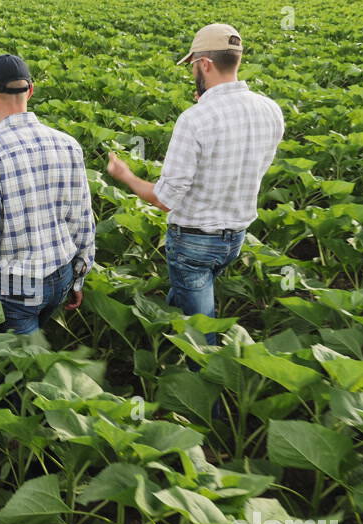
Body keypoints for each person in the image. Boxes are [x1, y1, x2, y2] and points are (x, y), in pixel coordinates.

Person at [107, 24, 284, 348]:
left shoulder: (196, 119)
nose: (192, 72)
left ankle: (206, 386)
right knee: (188, 294)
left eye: (192, 65)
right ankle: (159, 336)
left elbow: (163, 200)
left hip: (194, 243)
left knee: (202, 338)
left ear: (204, 64)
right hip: (235, 238)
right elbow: (253, 167)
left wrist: (125, 176)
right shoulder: (270, 110)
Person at [0, 54, 96, 335]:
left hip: (17, 284)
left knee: (23, 366)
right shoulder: (68, 145)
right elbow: (83, 221)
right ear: (31, 90)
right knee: (35, 352)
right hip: (60, 275)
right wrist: (78, 280)